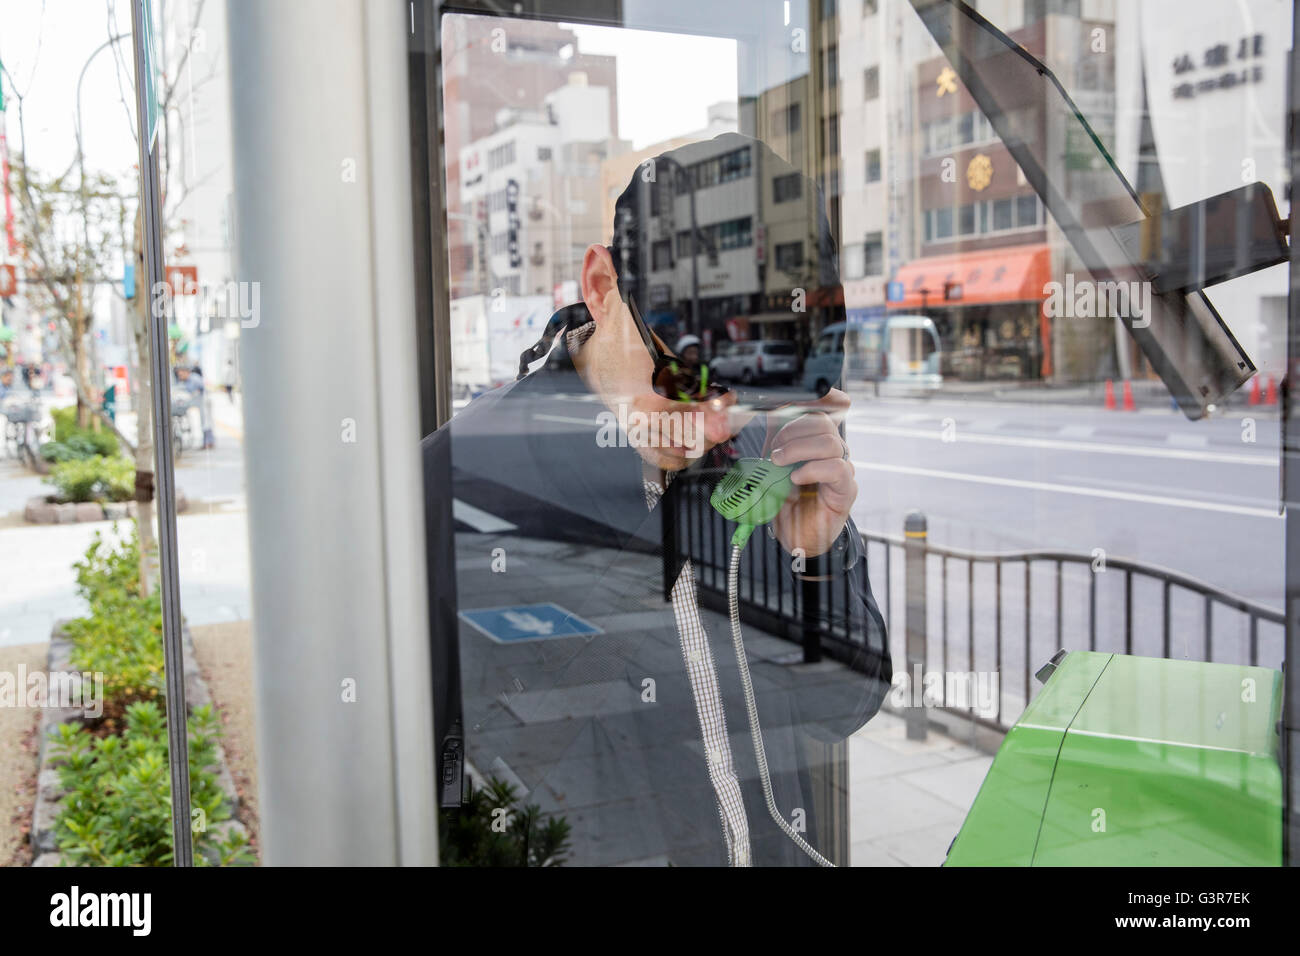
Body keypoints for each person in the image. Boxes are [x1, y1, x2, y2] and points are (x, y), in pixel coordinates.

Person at [422, 134, 890, 866]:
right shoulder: (452, 489)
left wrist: (822, 561)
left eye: (749, 390)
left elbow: (839, 712)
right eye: (685, 379)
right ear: (601, 285)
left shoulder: (756, 465)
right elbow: (432, 800)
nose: (711, 426)